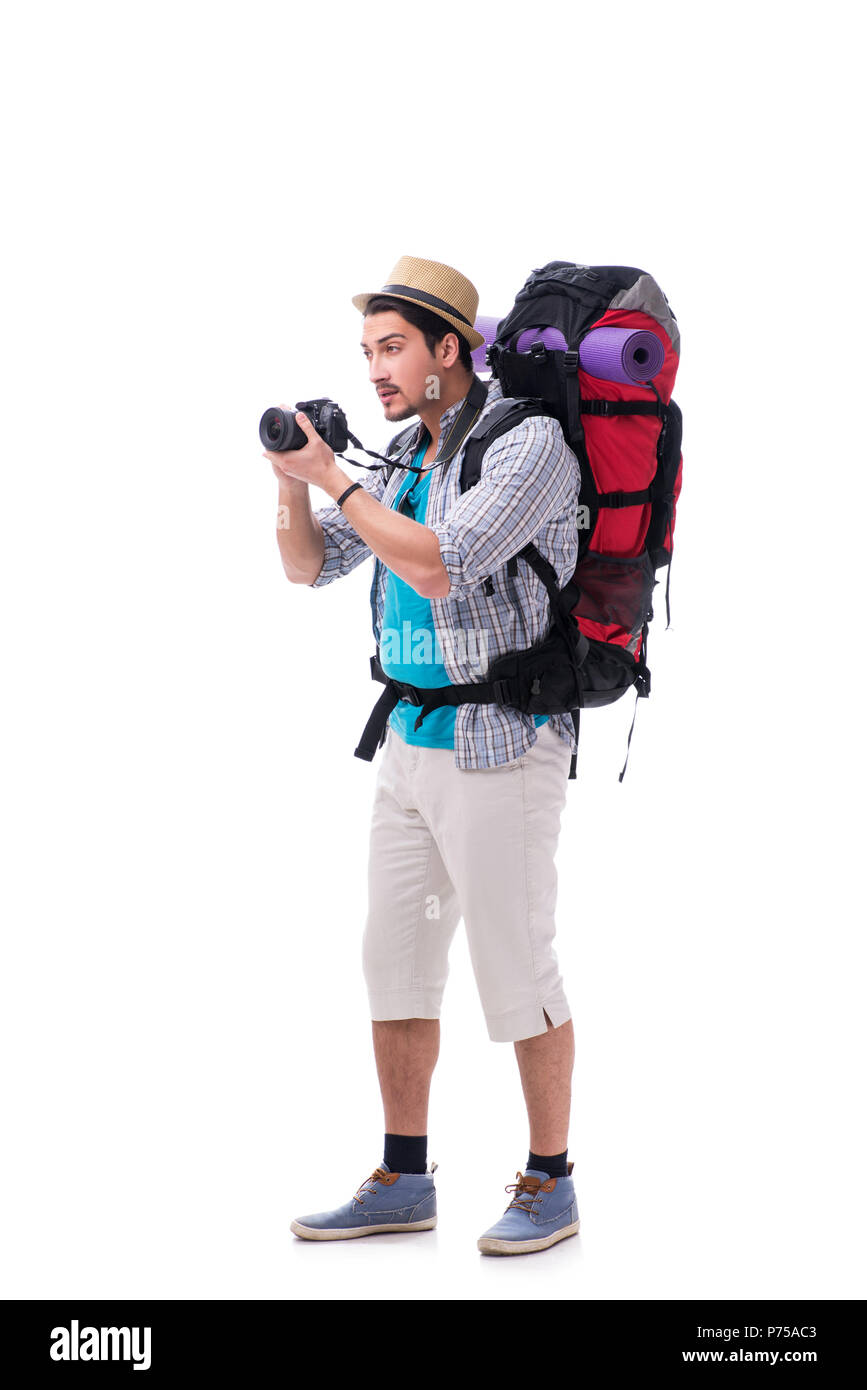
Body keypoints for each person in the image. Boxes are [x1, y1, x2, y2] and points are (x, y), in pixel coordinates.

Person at [266, 256, 581, 1255]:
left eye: (394, 346)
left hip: (502, 741)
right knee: (393, 966)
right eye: (367, 352)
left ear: (452, 347)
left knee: (516, 967)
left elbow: (445, 564)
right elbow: (310, 564)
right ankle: (405, 1176)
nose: (377, 368)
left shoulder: (528, 443)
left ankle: (551, 1179)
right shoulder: (401, 453)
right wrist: (292, 484)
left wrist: (334, 480)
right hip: (409, 739)